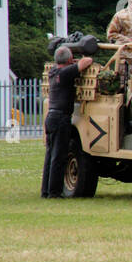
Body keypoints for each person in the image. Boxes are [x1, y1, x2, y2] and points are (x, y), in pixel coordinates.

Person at [41, 45, 95, 197]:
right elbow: (88, 61)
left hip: (51, 117)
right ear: (69, 59)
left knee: (50, 156)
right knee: (59, 156)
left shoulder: (53, 72)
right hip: (61, 118)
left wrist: (71, 61)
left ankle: (45, 191)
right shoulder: (66, 73)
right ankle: (55, 192)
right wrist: (77, 61)